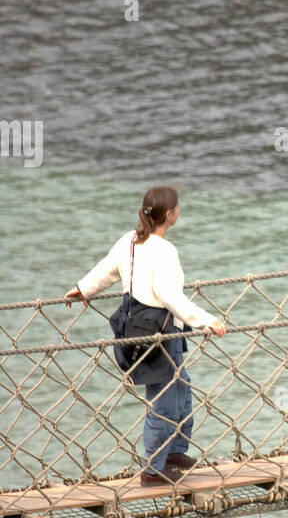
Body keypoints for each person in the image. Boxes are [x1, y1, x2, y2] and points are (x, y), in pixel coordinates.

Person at [64, 186, 227, 486]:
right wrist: (207, 321)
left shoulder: (130, 241)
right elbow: (170, 297)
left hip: (135, 327)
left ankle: (175, 452)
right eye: (178, 207)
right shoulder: (165, 251)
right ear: (170, 214)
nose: (180, 210)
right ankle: (153, 469)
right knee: (163, 399)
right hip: (159, 333)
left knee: (180, 386)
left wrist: (83, 288)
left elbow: (107, 270)